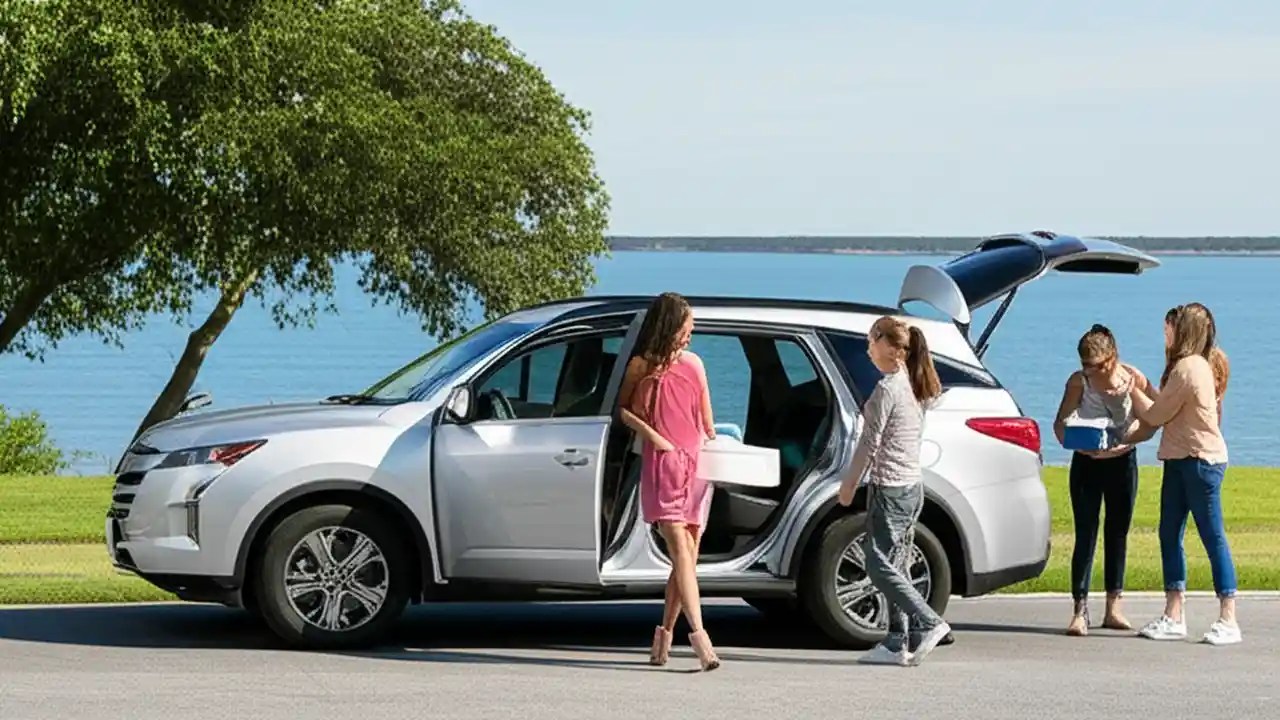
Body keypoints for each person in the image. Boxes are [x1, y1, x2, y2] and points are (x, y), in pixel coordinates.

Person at [1123, 302, 1240, 645]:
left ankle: (1228, 618)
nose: (1165, 333)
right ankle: (1174, 614)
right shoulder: (1189, 366)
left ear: (1184, 330)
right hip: (1179, 458)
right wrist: (1144, 385)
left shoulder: (1189, 367)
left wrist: (1132, 388)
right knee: (1169, 533)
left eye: (1170, 328)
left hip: (1200, 462)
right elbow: (1169, 409)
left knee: (1212, 536)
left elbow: (1157, 415)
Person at [837, 316, 950, 666]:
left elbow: (870, 441)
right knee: (896, 565)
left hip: (891, 489)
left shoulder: (889, 389)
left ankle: (929, 621)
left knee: (878, 564)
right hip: (911, 487)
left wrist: (849, 483)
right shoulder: (912, 385)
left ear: (889, 347)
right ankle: (896, 641)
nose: (868, 347)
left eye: (872, 340)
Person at [616, 292, 720, 671]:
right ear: (668, 326)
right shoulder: (640, 366)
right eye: (685, 328)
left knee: (687, 557)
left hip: (694, 468)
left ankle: (663, 638)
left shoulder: (694, 365)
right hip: (661, 465)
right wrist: (654, 436)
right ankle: (701, 639)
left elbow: (707, 423)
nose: (690, 336)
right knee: (680, 550)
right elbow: (623, 410)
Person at [1051, 324, 1148, 636]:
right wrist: (1078, 441)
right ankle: (1080, 610)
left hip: (1122, 462)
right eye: (1086, 367)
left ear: (1113, 357)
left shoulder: (1132, 377)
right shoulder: (1079, 383)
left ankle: (1113, 607)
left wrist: (1129, 438)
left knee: (1117, 532)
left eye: (1098, 366)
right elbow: (1060, 425)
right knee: (1086, 533)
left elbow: (1156, 415)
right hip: (1087, 463)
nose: (1092, 372)